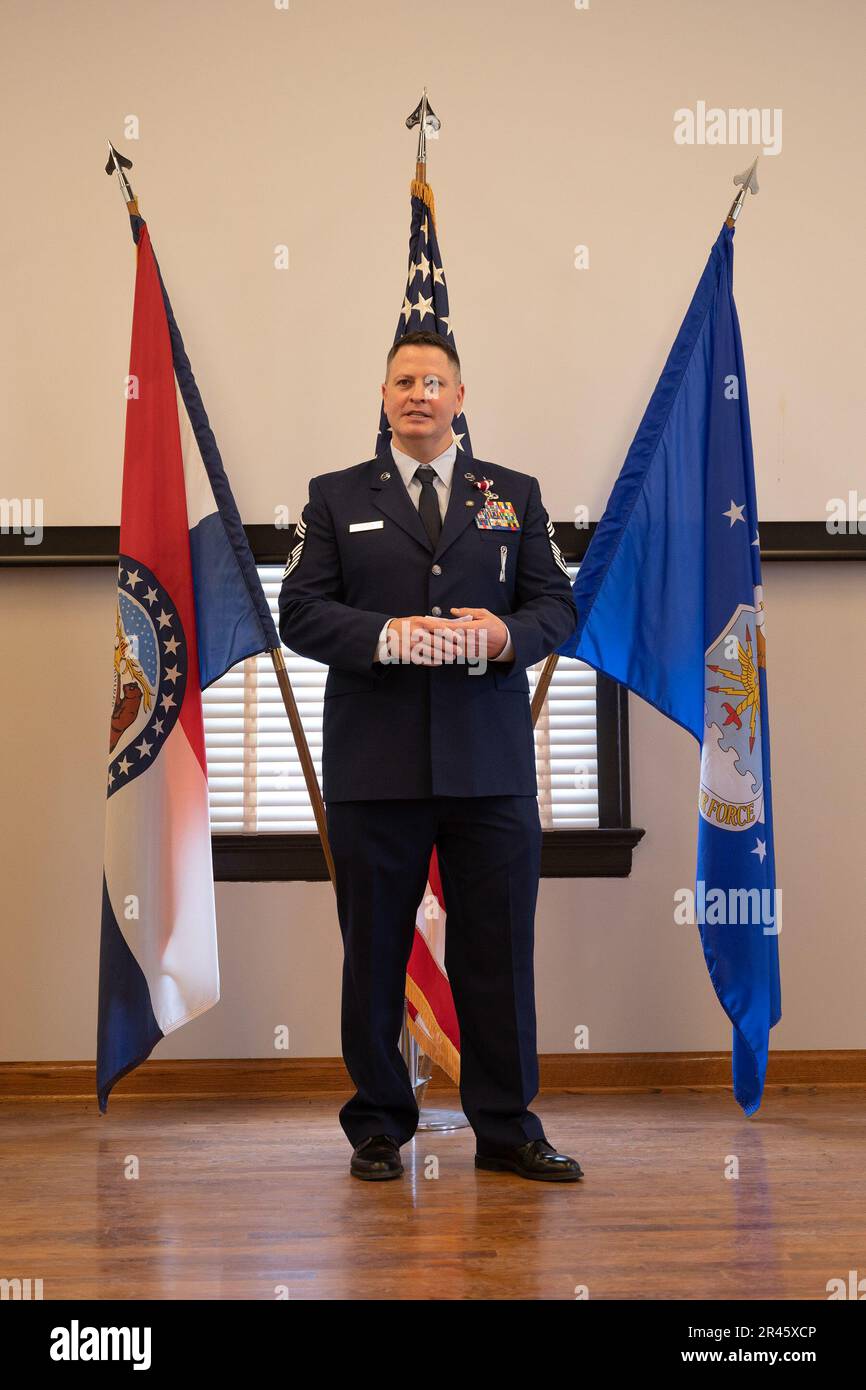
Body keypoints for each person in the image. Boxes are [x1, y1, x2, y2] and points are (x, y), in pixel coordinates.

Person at [278, 329, 583, 1182]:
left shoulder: (511, 495)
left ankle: (507, 1128)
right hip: (376, 769)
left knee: (497, 952)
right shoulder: (334, 497)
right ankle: (378, 1124)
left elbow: (557, 607)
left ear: (460, 398)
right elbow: (297, 612)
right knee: (374, 951)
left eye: (435, 380)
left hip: (489, 768)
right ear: (383, 398)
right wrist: (383, 634)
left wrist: (502, 635)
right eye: (404, 380)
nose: (419, 393)